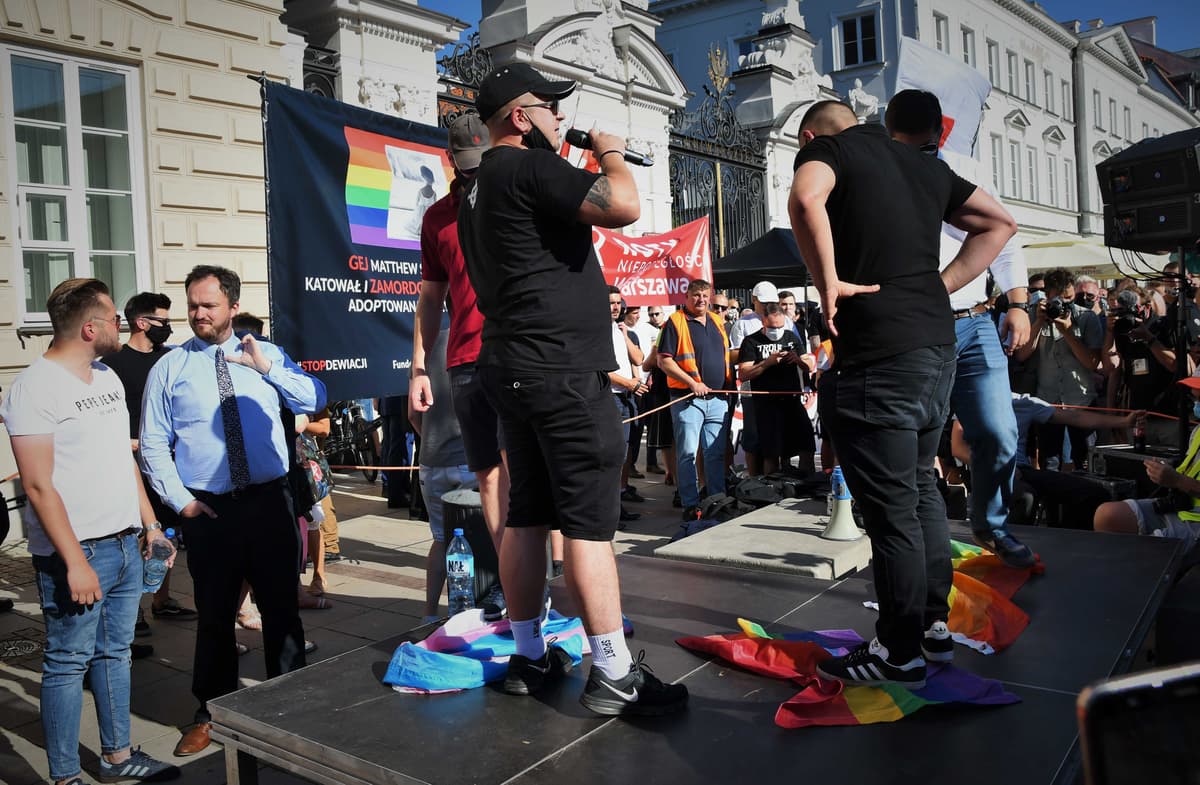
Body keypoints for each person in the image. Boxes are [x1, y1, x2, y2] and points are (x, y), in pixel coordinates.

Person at [458, 61, 687, 715]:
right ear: (521, 117)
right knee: (587, 524)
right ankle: (614, 672)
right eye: (551, 107)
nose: (562, 117)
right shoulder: (527, 167)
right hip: (558, 370)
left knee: (528, 515)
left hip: (511, 365)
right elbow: (624, 204)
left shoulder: (474, 183)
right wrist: (609, 150)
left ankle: (528, 654)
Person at [789, 100, 1016, 688]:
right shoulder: (924, 163)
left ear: (810, 134)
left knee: (892, 511)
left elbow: (805, 199)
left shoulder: (830, 150)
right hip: (934, 346)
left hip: (879, 355)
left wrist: (827, 283)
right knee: (920, 490)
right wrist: (937, 288)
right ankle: (932, 629)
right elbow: (1000, 224)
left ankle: (898, 652)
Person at [140, 265, 326, 756]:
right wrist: (182, 502)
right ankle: (211, 711)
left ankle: (290, 709)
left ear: (233, 307)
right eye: (193, 305)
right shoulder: (170, 368)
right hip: (211, 512)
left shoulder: (266, 354)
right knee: (215, 616)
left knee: (282, 611)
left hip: (269, 504)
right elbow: (155, 445)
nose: (199, 314)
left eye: (209, 305)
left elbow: (314, 398)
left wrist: (268, 369)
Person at [1, 278, 180, 785]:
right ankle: (64, 775)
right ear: (89, 327)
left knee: (115, 655)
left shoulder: (106, 378)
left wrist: (151, 526)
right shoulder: (33, 389)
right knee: (66, 663)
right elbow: (37, 486)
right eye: (113, 318)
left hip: (126, 542)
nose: (120, 325)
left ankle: (117, 758)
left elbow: (125, 463)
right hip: (75, 554)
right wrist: (75, 562)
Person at [886, 89, 1034, 568]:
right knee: (913, 438)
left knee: (999, 432)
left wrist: (1018, 303)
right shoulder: (881, 171)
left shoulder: (967, 168)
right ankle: (908, 536)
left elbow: (1005, 236)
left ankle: (990, 525)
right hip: (913, 325)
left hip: (972, 322)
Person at [411, 111, 512, 619]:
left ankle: (528, 584)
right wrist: (418, 367)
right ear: (451, 159)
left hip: (520, 354)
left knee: (526, 477)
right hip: (467, 361)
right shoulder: (437, 219)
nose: (473, 172)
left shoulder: (513, 197)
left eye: (482, 162)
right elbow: (430, 298)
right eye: (465, 164)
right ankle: (501, 584)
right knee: (490, 479)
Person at [101, 292, 199, 641]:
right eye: (162, 321)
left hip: (166, 464)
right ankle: (135, 610)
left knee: (166, 532)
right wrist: (129, 443)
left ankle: (162, 598)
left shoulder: (169, 360)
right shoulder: (112, 363)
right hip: (129, 464)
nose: (168, 328)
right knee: (141, 533)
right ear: (142, 322)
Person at [412, 328, 478, 623]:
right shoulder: (476, 339)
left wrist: (431, 441)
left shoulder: (424, 350)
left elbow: (412, 413)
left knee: (441, 539)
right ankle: (468, 610)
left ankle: (428, 614)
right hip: (470, 460)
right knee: (476, 541)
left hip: (431, 461)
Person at [1094, 372, 1200, 554]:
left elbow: (1180, 481)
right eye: (1195, 396)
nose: (1196, 403)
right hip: (1180, 507)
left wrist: (1176, 480)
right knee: (1107, 516)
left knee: (1146, 552)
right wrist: (1167, 476)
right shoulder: (1197, 431)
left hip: (1195, 520)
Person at [1014, 267, 1103, 471]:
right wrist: (1038, 322)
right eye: (1059, 300)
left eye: (1069, 299)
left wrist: (1068, 332)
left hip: (1080, 399)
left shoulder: (1086, 317)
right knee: (1050, 462)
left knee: (1086, 460)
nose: (1064, 305)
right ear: (1047, 296)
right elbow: (1022, 355)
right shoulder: (1033, 315)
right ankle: (1052, 502)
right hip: (1048, 400)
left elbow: (1092, 363)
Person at [657, 279, 732, 521]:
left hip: (718, 398)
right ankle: (690, 504)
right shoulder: (675, 322)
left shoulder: (717, 321)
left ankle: (717, 499)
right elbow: (664, 361)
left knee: (715, 453)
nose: (701, 299)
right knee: (687, 453)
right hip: (688, 399)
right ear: (687, 297)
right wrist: (692, 383)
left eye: (704, 295)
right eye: (696, 295)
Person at [736, 302, 815, 475]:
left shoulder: (791, 338)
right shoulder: (751, 341)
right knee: (771, 453)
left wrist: (798, 360)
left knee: (807, 443)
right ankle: (771, 486)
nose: (776, 330)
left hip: (792, 400)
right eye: (772, 327)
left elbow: (808, 365)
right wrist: (767, 363)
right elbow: (743, 373)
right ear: (764, 321)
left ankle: (805, 481)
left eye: (779, 326)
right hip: (766, 404)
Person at [608, 286, 648, 523]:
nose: (615, 307)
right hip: (610, 398)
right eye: (611, 303)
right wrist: (629, 383)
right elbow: (601, 371)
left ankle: (618, 503)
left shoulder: (620, 329)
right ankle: (610, 511)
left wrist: (624, 335)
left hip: (626, 398)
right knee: (613, 455)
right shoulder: (598, 330)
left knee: (623, 454)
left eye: (618, 303)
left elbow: (639, 359)